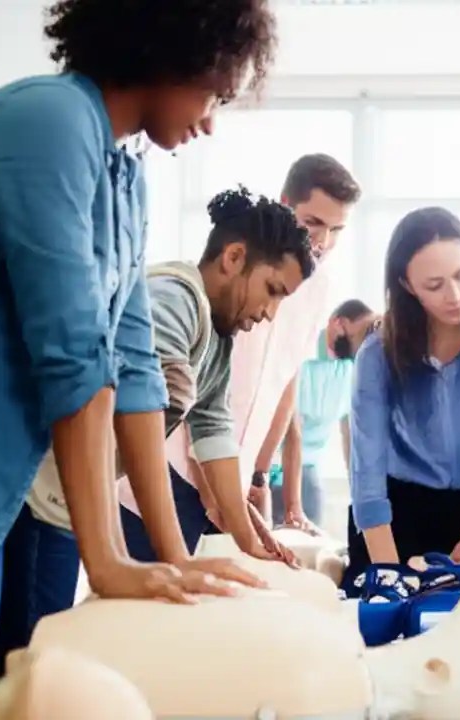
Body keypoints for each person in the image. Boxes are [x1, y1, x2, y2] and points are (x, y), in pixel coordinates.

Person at [0, 1, 277, 716]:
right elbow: (72, 352)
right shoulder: (47, 121)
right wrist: (105, 559)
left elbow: (132, 369)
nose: (212, 117)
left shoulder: (125, 181)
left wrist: (174, 558)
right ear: (171, 50)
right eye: (215, 90)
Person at [0, 187, 314, 683]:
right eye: (273, 291)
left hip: (64, 503)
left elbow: (214, 430)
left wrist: (250, 537)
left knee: (31, 656)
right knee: (27, 665)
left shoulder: (216, 336)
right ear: (234, 257)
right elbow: (138, 412)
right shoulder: (173, 299)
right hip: (37, 496)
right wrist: (176, 557)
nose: (270, 314)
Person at [159, 153, 361, 533]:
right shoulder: (238, 268)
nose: (323, 242)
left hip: (233, 475)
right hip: (180, 470)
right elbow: (197, 382)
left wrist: (259, 475)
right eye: (314, 223)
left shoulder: (320, 289)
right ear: (286, 205)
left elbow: (287, 382)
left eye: (337, 230)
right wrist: (211, 489)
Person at [343, 207, 460, 596]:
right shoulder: (376, 353)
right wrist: (388, 574)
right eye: (435, 285)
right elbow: (367, 473)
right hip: (395, 513)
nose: (455, 296)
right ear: (407, 284)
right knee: (386, 627)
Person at [269, 298, 380, 529]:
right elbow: (292, 430)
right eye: (365, 330)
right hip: (276, 466)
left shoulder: (354, 368)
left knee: (312, 538)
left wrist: (358, 491)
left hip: (309, 468)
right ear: (338, 323)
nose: (367, 341)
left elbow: (349, 432)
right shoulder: (298, 352)